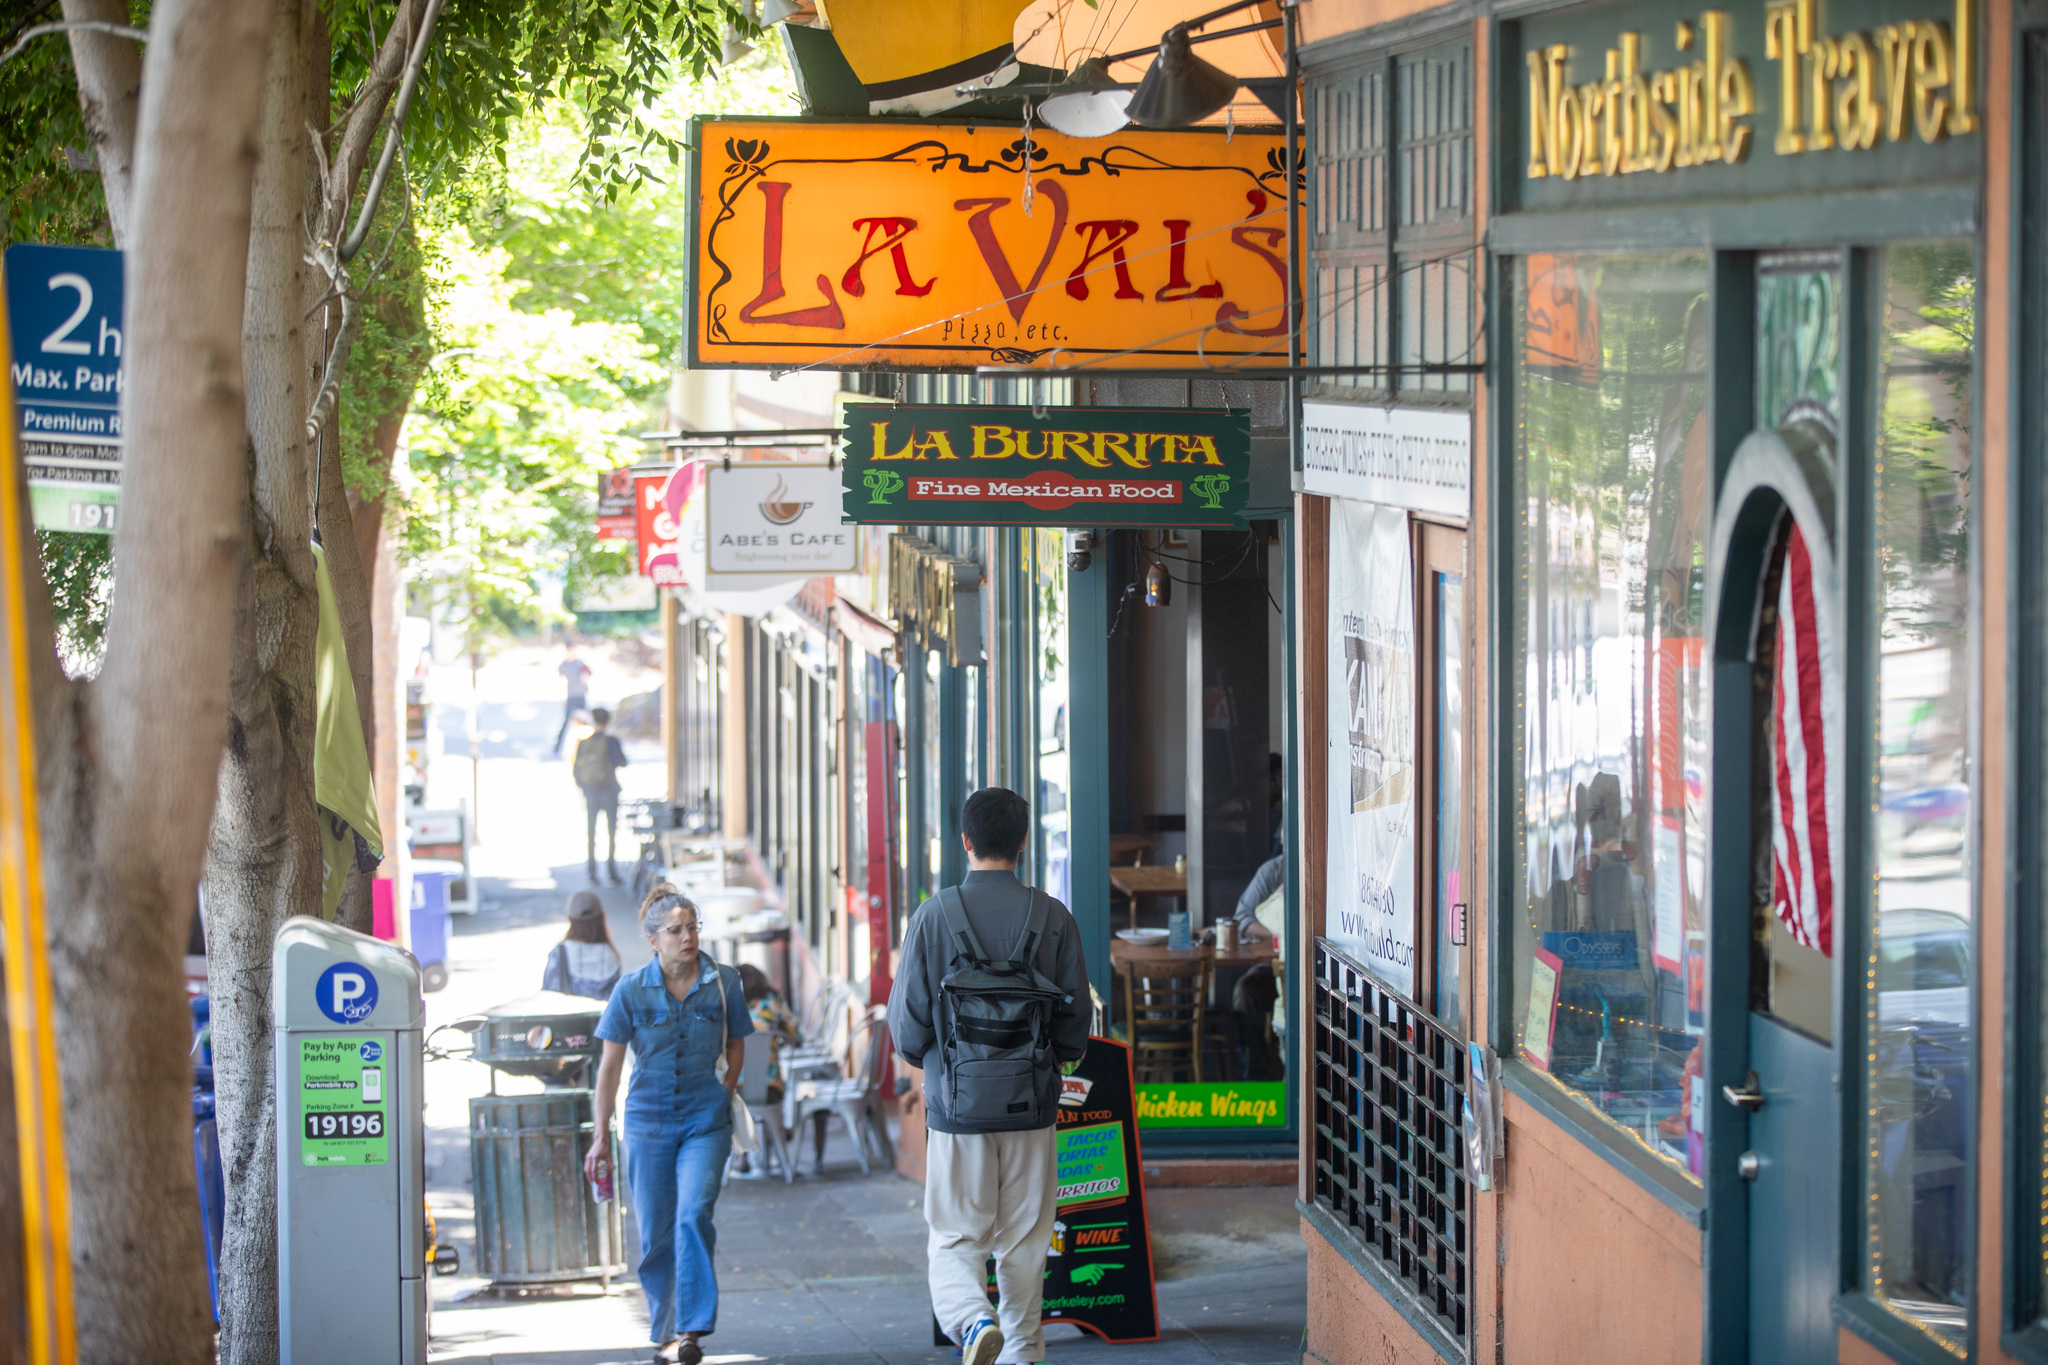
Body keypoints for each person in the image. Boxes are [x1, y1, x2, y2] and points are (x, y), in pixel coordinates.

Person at [888, 787, 1089, 1365]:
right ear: (1024, 843)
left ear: (966, 842)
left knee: (955, 1236)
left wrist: (945, 1065)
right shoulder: (1052, 916)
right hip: (1032, 1106)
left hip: (955, 1109)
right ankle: (1022, 1351)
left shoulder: (933, 917)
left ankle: (973, 1323)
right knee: (1025, 1240)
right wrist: (1045, 1062)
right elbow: (1076, 1026)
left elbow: (907, 1032)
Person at [587, 884, 754, 1365]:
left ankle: (692, 1330)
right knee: (657, 1230)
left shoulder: (723, 981)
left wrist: (726, 1090)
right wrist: (601, 1134)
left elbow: (739, 1042)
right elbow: (609, 1068)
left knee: (692, 1215)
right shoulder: (631, 990)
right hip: (647, 1123)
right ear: (652, 939)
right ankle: (663, 1331)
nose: (688, 937)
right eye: (676, 930)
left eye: (693, 927)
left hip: (706, 1120)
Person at [573, 707, 628, 886]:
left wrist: (586, 788)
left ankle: (592, 872)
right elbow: (623, 762)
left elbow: (576, 770)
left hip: (591, 792)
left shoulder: (584, 742)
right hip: (609, 791)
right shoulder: (611, 741)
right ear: (608, 721)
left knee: (592, 831)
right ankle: (612, 872)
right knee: (611, 831)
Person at [541, 890, 622, 999]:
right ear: (602, 917)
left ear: (569, 918)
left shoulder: (560, 953)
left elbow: (548, 992)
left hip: (567, 1014)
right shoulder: (612, 956)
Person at [737, 963, 798, 1102]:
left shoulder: (727, 1007)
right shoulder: (772, 1001)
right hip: (770, 1089)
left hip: (733, 1091)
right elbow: (795, 1033)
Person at [555, 644, 593, 754]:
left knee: (587, 722)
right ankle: (557, 748)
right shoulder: (563, 666)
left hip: (581, 695)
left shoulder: (580, 663)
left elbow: (587, 674)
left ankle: (588, 747)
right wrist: (561, 698)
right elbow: (560, 682)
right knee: (566, 722)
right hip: (570, 696)